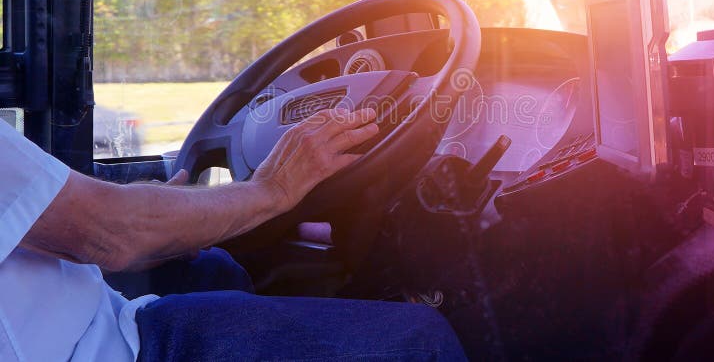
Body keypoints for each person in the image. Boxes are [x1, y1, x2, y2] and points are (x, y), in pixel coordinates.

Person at [0, 107, 466, 361]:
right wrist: (274, 188)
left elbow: (64, 224)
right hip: (106, 347)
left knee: (213, 268)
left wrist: (158, 220)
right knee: (420, 340)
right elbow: (113, 233)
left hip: (83, 315)